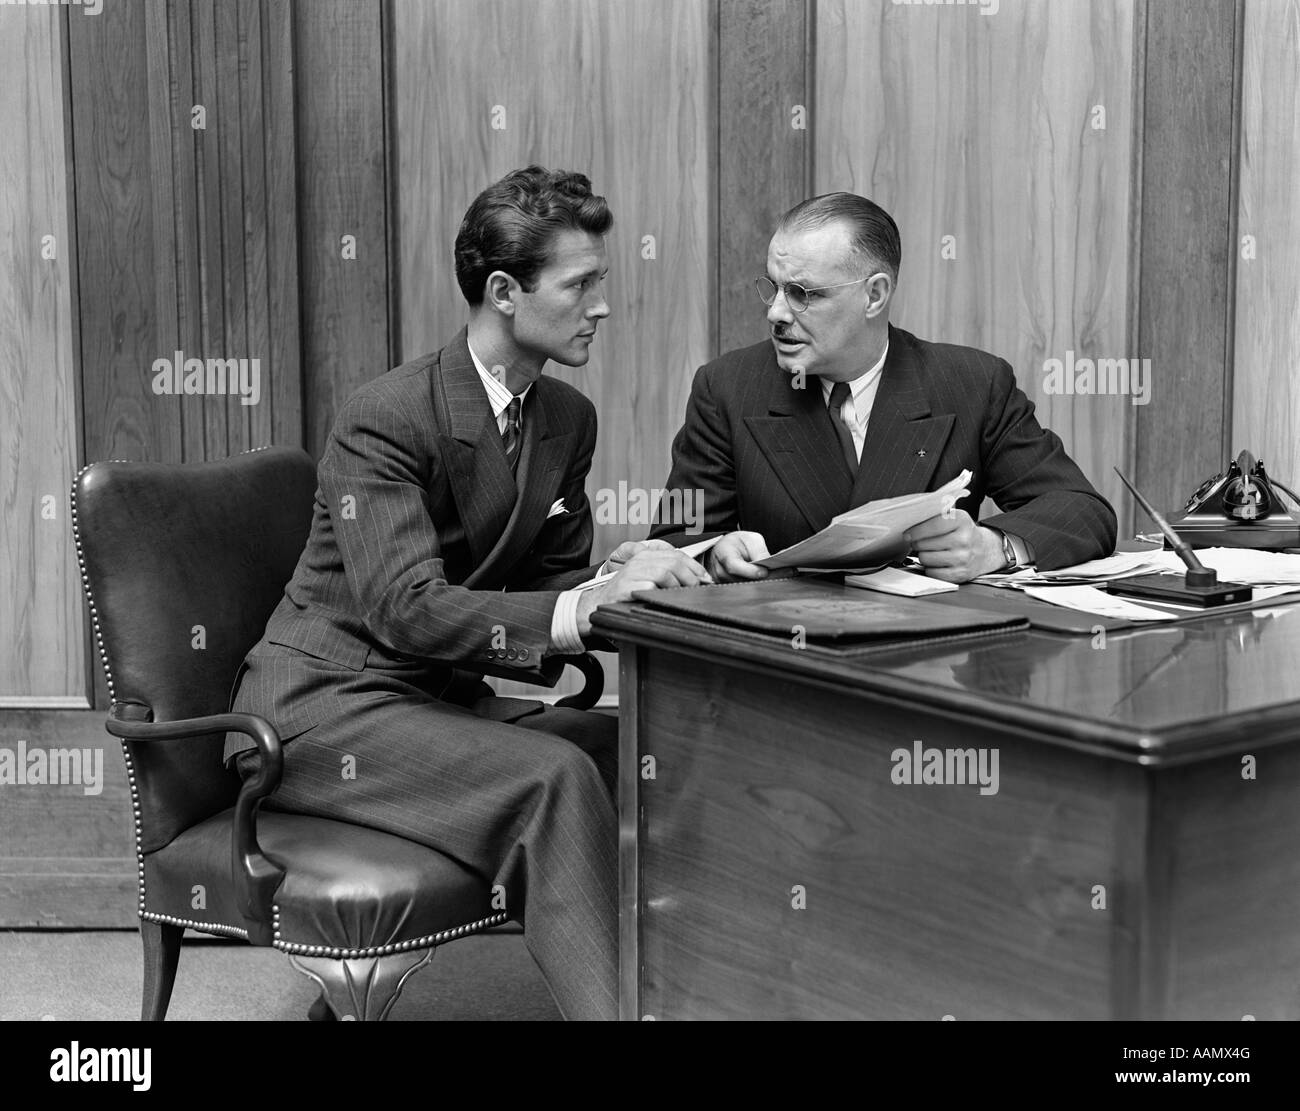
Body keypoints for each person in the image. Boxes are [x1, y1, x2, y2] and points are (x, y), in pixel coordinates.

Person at [225, 166, 709, 1021]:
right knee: (555, 775)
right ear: (504, 293)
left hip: (432, 703)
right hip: (323, 709)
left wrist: (639, 571)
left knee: (646, 752)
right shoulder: (385, 415)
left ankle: (707, 996)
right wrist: (580, 608)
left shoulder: (564, 419)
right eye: (582, 284)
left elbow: (557, 582)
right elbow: (404, 607)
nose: (602, 305)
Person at [649, 192, 1117, 582]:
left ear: (875, 294)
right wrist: (714, 553)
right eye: (772, 287)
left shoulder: (971, 383)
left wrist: (995, 547)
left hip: (924, 664)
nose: (775, 312)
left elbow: (1082, 511)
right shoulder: (729, 387)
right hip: (787, 661)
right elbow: (672, 541)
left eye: (802, 294)